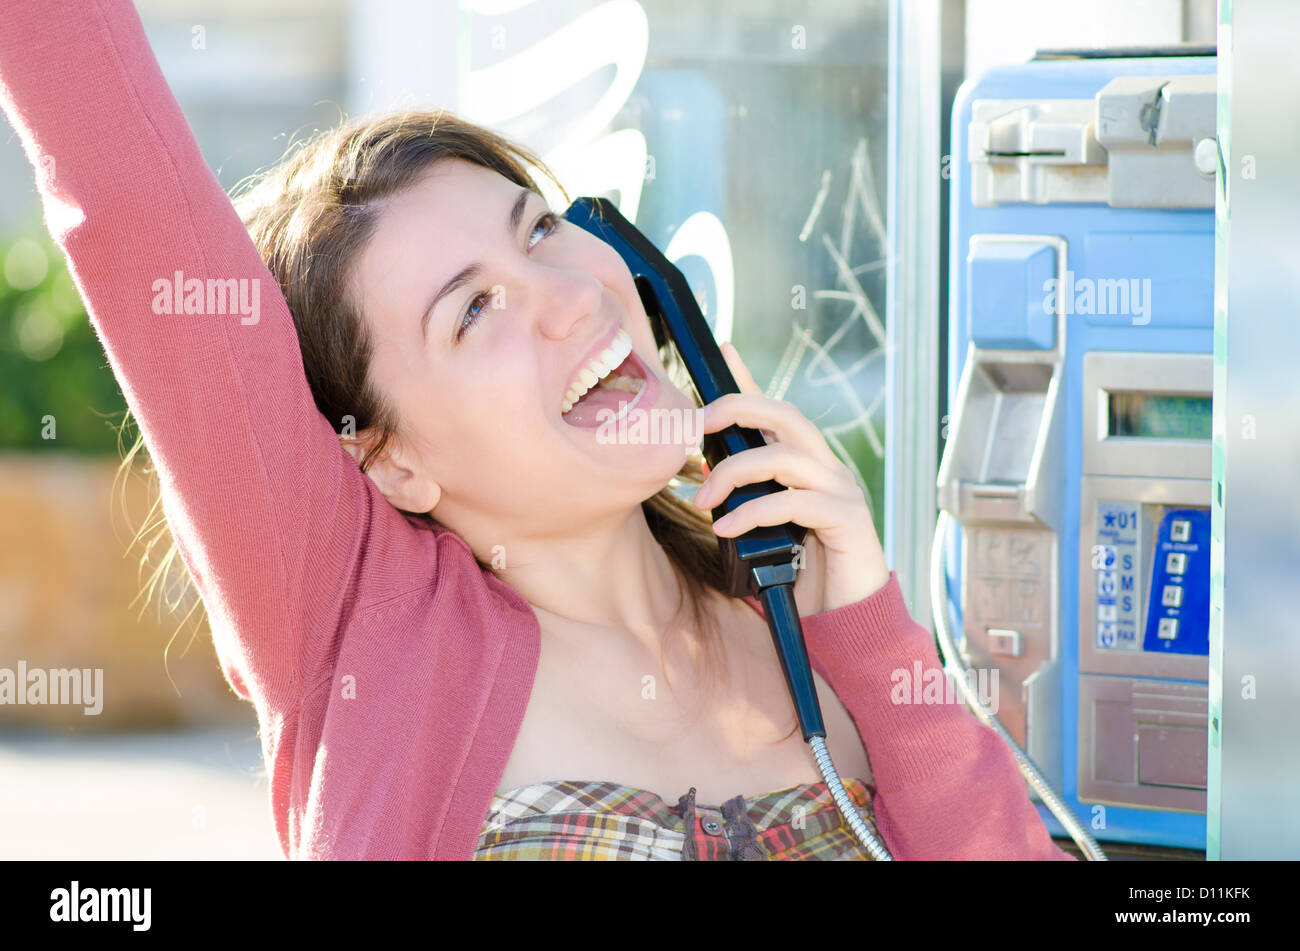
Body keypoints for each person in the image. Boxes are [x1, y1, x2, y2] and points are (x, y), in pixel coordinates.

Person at [0, 0, 1073, 860]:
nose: (569, 296)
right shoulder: (363, 626)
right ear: (390, 455)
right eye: (473, 310)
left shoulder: (810, 628)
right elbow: (124, 189)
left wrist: (871, 628)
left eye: (542, 229)